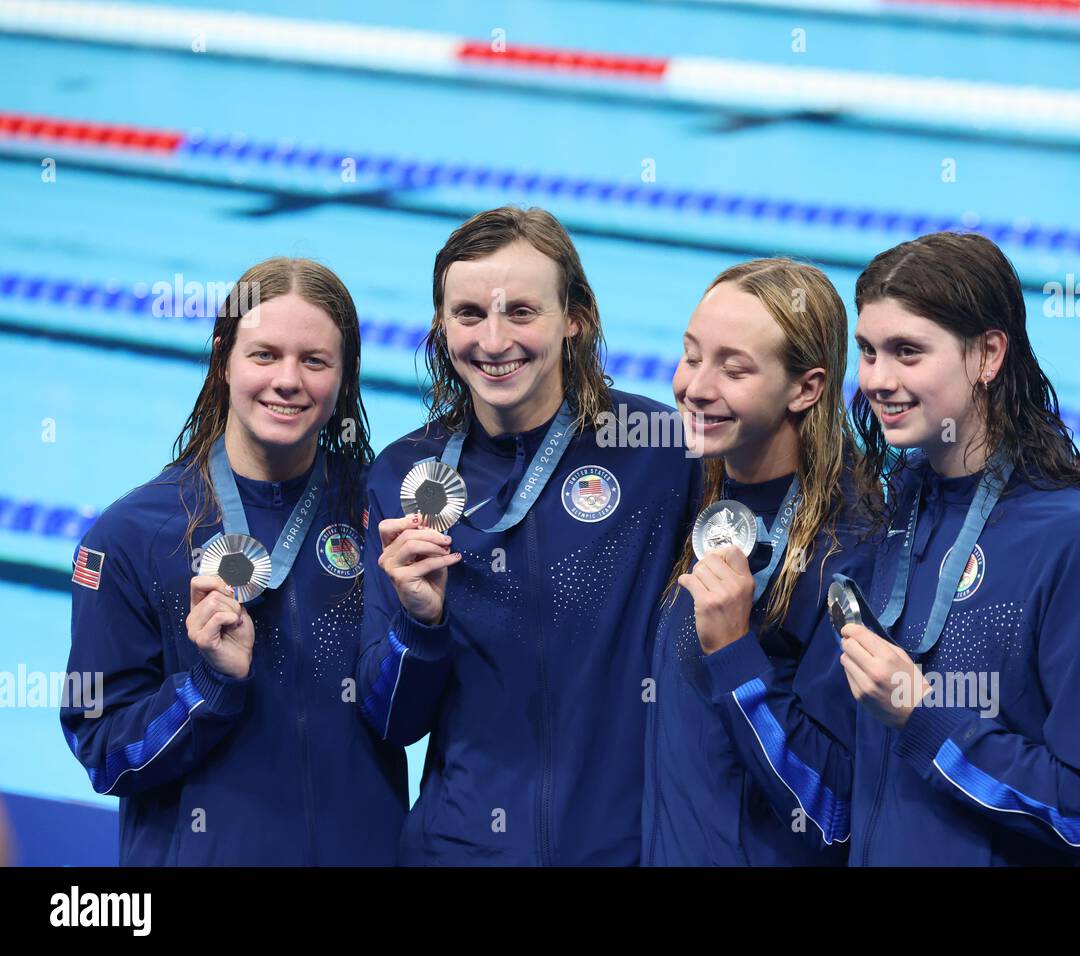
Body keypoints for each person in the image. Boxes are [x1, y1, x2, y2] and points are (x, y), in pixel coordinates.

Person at [356, 206, 699, 865]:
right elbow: (391, 722)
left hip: (623, 852)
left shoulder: (658, 451)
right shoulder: (404, 475)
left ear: (574, 318)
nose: (493, 340)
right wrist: (419, 624)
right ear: (441, 324)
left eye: (521, 312)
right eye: (469, 315)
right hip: (460, 852)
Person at [61, 258, 406, 865]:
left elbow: (409, 714)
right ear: (224, 360)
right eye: (264, 355)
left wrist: (422, 629)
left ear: (344, 377)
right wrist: (208, 685)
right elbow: (105, 754)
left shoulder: (377, 515)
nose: (288, 380)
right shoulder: (132, 536)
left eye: (315, 361)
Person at [839, 231, 1080, 865]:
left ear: (988, 354)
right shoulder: (898, 513)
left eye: (907, 352)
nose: (878, 380)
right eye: (868, 351)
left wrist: (926, 718)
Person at [642, 258, 870, 866]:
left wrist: (736, 655)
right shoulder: (696, 489)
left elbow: (833, 811)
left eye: (734, 368)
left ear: (807, 387)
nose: (695, 387)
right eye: (692, 356)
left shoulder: (853, 543)